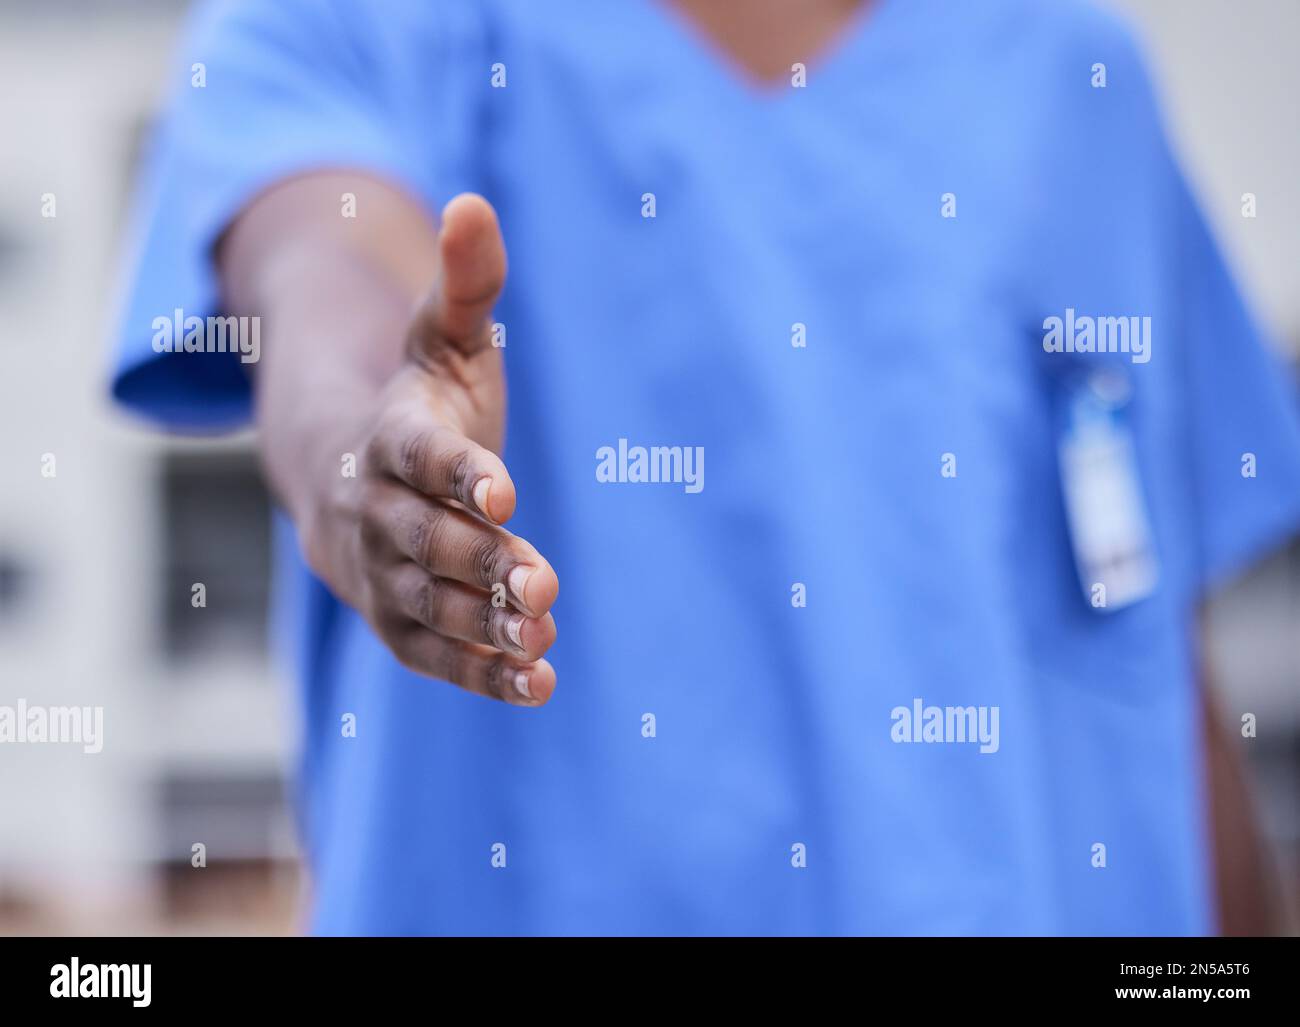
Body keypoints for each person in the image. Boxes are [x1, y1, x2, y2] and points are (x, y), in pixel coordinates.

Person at [111, 0, 1300, 934]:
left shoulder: (1076, 81)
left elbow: (1153, 675)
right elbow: (332, 288)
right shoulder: (358, 28)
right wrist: (372, 456)